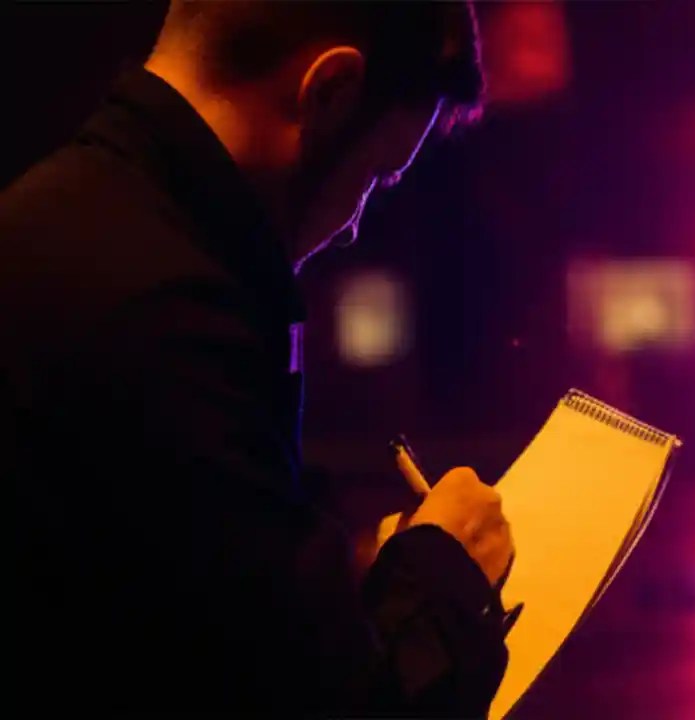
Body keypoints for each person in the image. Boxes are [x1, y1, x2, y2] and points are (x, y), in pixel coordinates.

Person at [0, 1, 515, 715]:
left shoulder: (68, 221)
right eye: (373, 175)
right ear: (328, 90)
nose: (352, 227)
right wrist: (447, 572)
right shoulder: (168, 313)